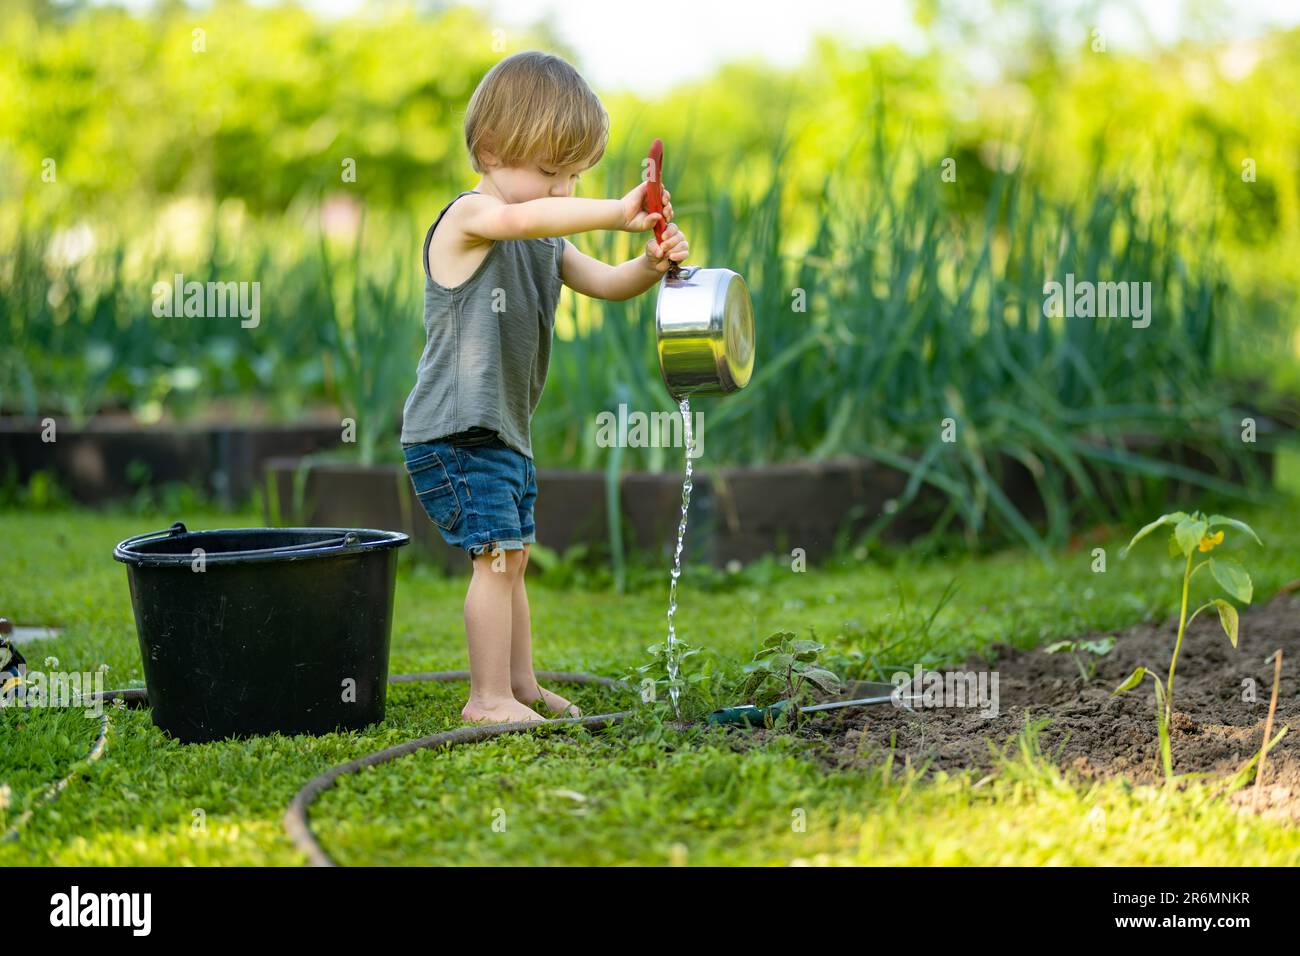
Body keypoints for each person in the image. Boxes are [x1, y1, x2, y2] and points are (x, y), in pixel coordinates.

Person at [400, 51, 689, 724]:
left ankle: (520, 685)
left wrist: (650, 262)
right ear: (494, 149)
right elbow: (518, 220)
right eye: (552, 173)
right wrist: (617, 209)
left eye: (575, 175)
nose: (563, 191)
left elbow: (611, 286)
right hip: (454, 430)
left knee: (514, 558)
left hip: (501, 430)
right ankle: (486, 698)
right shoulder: (471, 217)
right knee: (496, 561)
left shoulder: (546, 239)